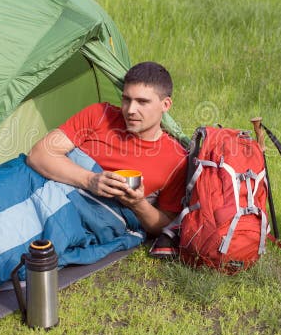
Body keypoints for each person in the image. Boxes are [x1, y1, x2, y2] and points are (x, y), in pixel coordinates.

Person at [27, 61, 187, 236]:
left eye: (142, 102)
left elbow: (166, 225)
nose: (131, 110)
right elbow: (38, 154)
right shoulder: (100, 115)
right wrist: (90, 180)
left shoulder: (176, 160)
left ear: (165, 105)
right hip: (41, 189)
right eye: (126, 99)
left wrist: (137, 204)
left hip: (79, 216)